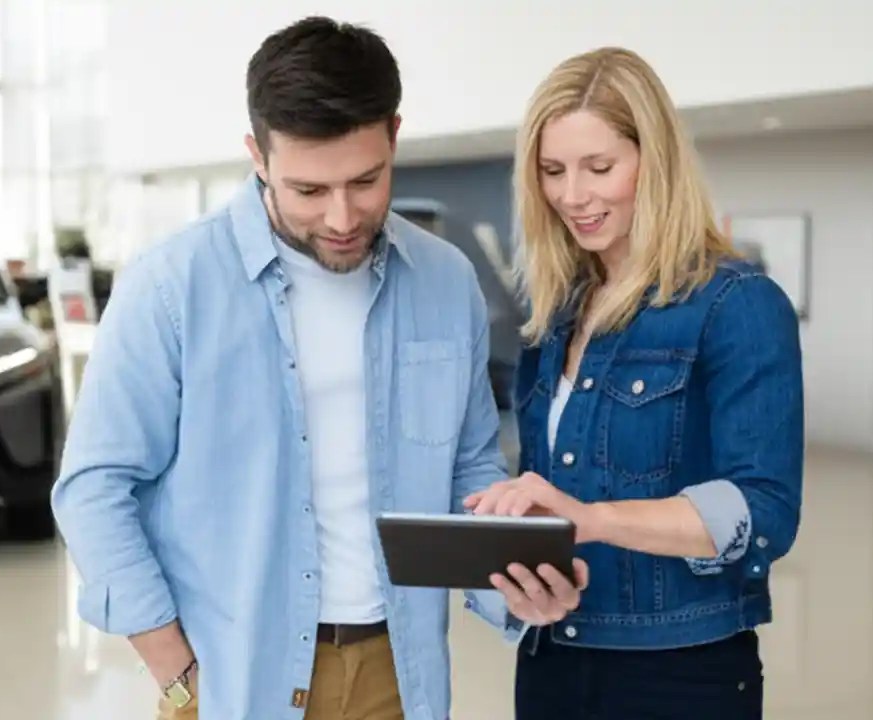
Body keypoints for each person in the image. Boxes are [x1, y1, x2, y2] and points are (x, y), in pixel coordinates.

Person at [51, 16, 572, 720]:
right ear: (257, 156)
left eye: (365, 181)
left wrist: (512, 578)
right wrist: (175, 669)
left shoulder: (446, 281)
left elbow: (469, 465)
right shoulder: (171, 287)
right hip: (232, 678)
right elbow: (93, 487)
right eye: (309, 191)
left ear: (394, 135)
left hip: (399, 671)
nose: (342, 217)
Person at [465, 46, 804, 719]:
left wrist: (591, 520)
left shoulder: (736, 303)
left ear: (656, 162)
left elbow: (763, 509)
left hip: (680, 670)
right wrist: (525, 569)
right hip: (553, 656)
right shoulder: (554, 316)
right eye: (553, 171)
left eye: (599, 168)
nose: (572, 195)